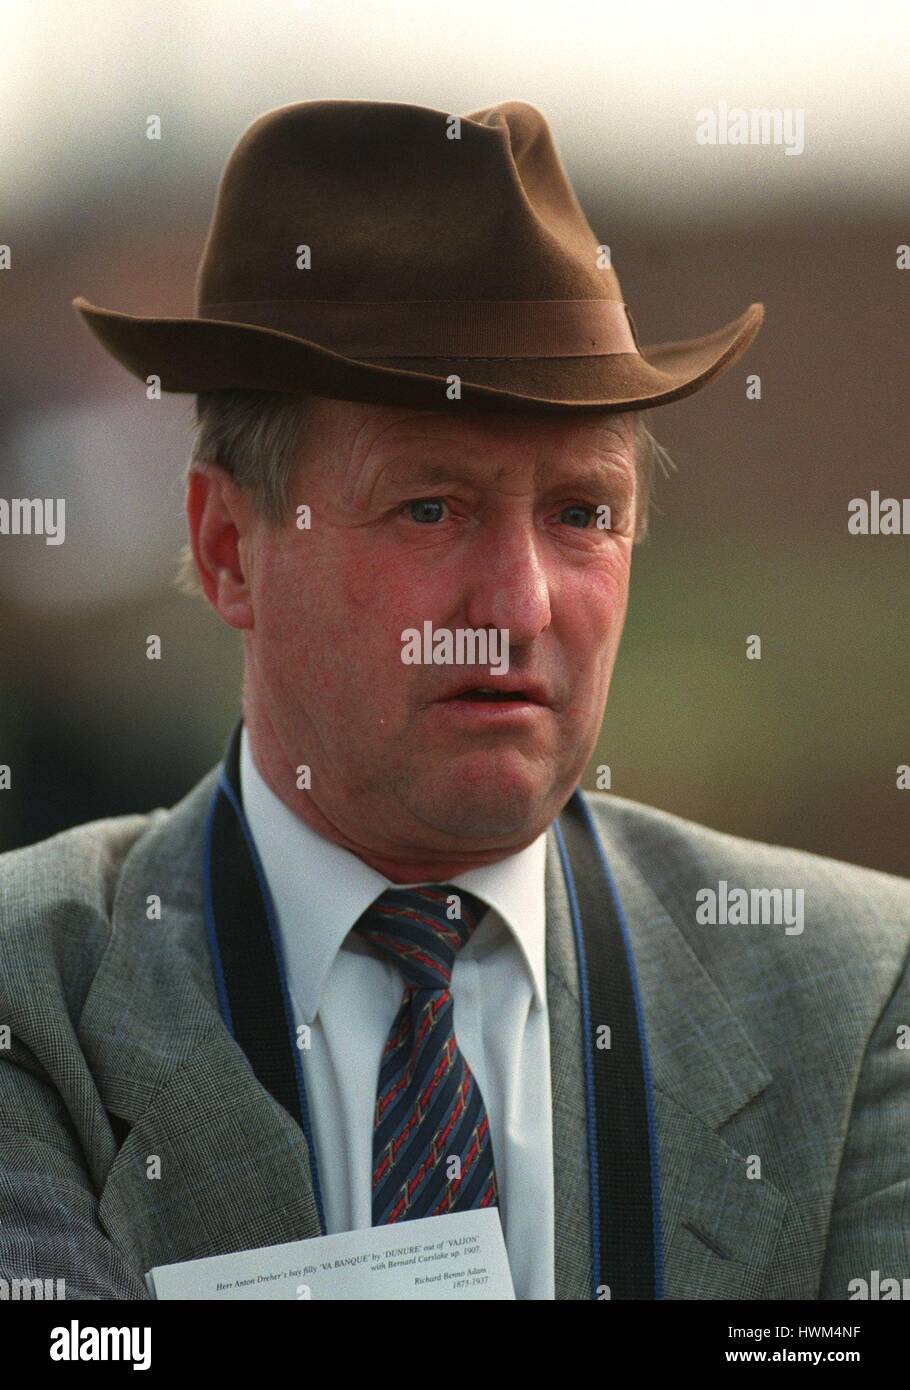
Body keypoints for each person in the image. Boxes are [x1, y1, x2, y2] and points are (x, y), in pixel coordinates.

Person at [1, 98, 907, 1302]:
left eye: (582, 513)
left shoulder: (856, 995)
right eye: (430, 506)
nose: (520, 601)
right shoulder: (33, 994)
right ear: (228, 546)